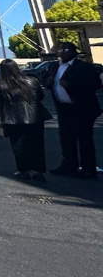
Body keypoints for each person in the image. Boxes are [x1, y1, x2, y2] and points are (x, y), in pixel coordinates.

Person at [47, 42, 101, 179]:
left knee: (84, 139)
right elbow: (47, 81)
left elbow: (95, 84)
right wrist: (47, 81)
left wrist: (71, 85)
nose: (62, 52)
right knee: (66, 138)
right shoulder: (54, 66)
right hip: (63, 108)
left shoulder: (83, 67)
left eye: (65, 50)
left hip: (83, 108)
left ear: (73, 52)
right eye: (59, 50)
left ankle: (88, 169)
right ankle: (69, 165)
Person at [0, 59, 49, 181]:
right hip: (35, 117)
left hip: (14, 119)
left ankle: (23, 170)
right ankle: (38, 171)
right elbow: (41, 96)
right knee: (37, 145)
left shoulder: (2, 85)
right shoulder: (32, 80)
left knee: (19, 146)